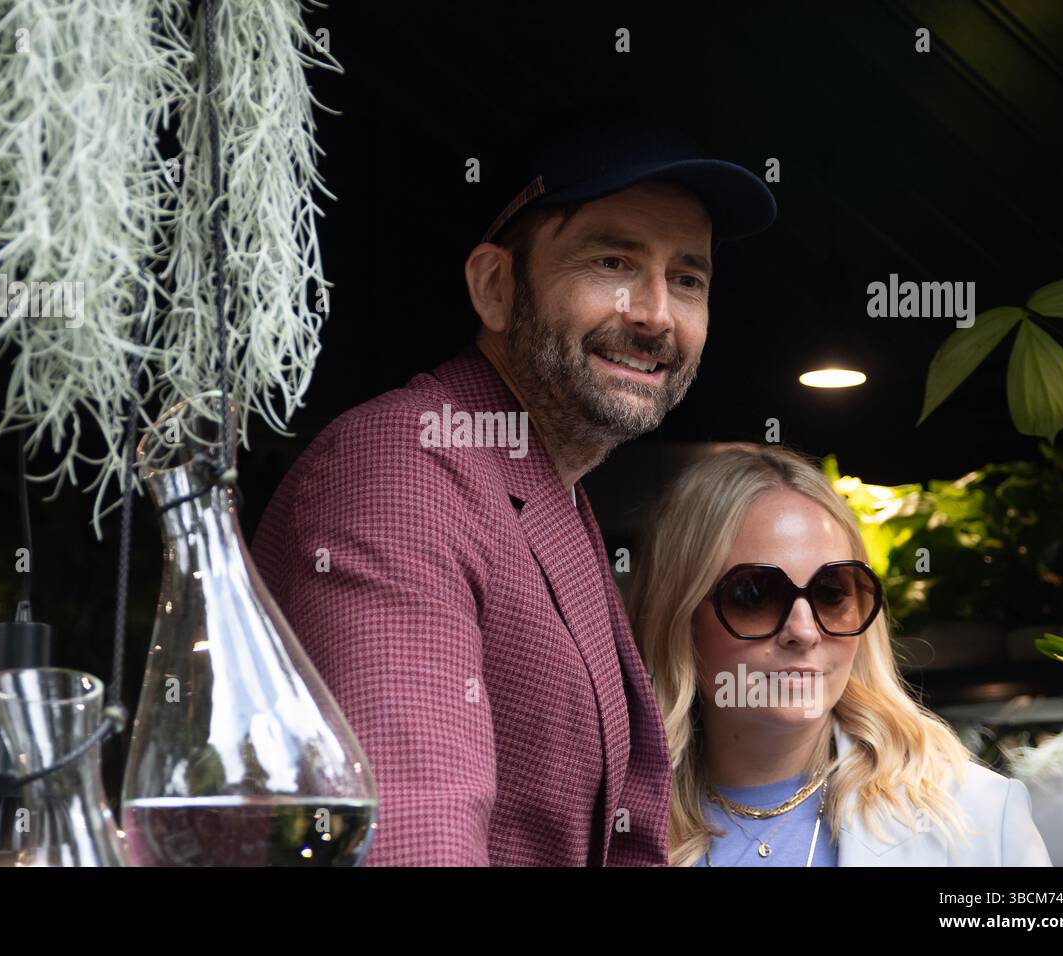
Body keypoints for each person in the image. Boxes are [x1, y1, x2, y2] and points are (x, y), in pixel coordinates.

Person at [248, 111, 776, 865]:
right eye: (613, 264)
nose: (657, 315)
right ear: (495, 287)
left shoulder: (545, 480)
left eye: (686, 278)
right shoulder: (402, 467)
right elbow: (412, 844)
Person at [627, 442, 1053, 866]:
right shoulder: (611, 823)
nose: (804, 631)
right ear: (679, 619)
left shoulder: (980, 815)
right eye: (755, 595)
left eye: (831, 593)